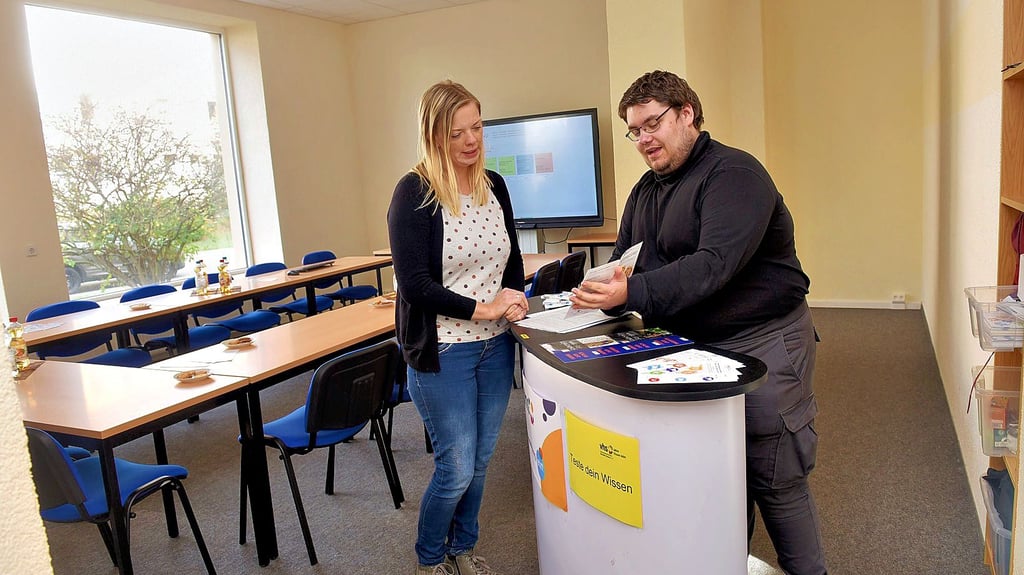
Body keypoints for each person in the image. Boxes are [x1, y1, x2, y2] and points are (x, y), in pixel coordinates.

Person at [569, 70, 827, 574]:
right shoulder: (646, 189)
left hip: (764, 343)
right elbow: (627, 258)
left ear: (687, 113)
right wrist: (602, 288)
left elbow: (713, 265)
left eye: (652, 123)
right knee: (721, 482)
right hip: (693, 350)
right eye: (635, 130)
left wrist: (633, 291)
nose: (644, 139)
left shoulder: (734, 176)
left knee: (776, 478)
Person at [388, 80, 529, 575]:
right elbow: (415, 285)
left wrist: (515, 299)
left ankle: (462, 549)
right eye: (456, 133)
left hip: (495, 349)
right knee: (455, 468)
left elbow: (509, 259)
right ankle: (430, 560)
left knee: (483, 460)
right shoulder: (415, 192)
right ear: (433, 135)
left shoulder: (495, 184)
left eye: (476, 127)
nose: (470, 141)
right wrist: (484, 308)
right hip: (444, 350)